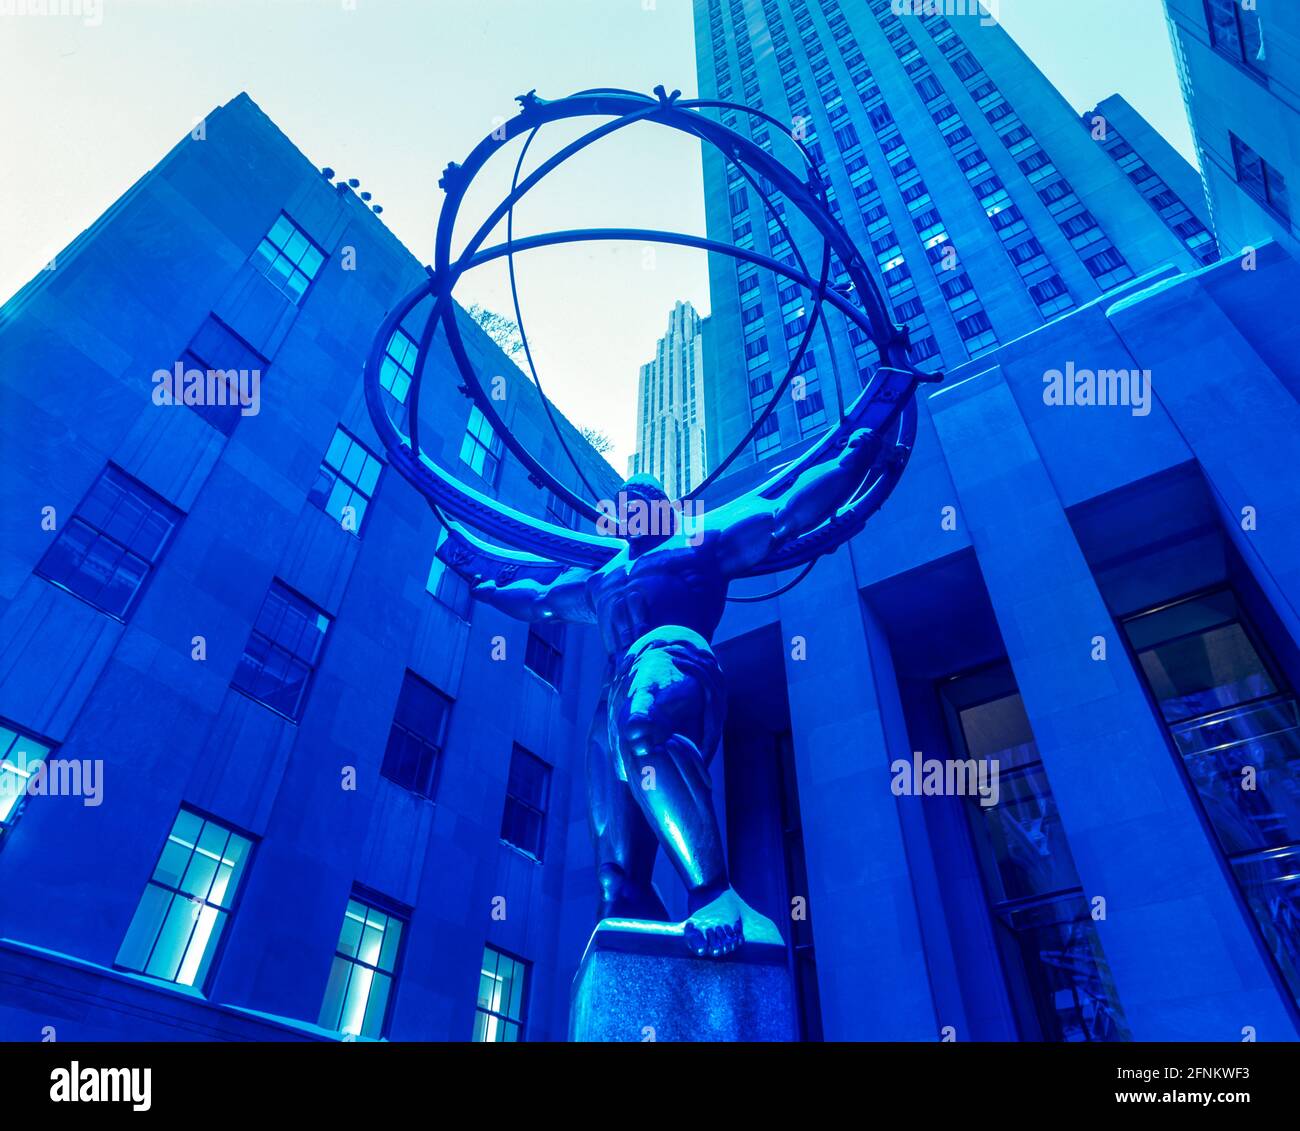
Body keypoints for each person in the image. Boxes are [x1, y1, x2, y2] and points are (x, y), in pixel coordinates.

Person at [473, 427, 888, 956]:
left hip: (674, 658)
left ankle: (714, 891)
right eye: (625, 504)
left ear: (666, 508)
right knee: (615, 879)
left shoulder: (700, 542)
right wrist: (487, 588)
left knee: (644, 723)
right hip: (615, 686)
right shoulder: (603, 577)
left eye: (645, 501)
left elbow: (785, 513)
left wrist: (852, 462)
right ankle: (631, 908)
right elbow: (540, 601)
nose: (633, 510)